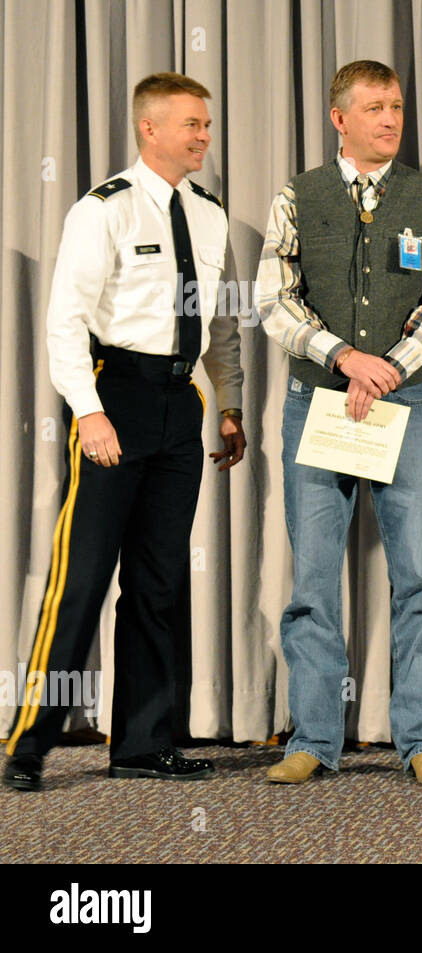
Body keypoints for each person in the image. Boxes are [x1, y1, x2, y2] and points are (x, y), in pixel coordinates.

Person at [3, 72, 246, 791]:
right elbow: (65, 319)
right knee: (78, 582)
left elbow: (221, 323)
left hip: (180, 403)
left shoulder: (207, 214)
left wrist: (228, 403)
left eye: (206, 124)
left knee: (159, 582)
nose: (204, 135)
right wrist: (88, 409)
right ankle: (28, 743)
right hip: (117, 397)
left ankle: (142, 742)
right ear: (150, 129)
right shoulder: (101, 210)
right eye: (192, 124)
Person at [254, 60, 422, 785]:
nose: (391, 118)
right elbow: (272, 299)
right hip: (317, 400)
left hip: (404, 402)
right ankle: (312, 739)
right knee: (314, 578)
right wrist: (344, 356)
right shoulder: (298, 195)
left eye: (398, 106)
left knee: (418, 578)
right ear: (338, 118)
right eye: (374, 107)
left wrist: (392, 366)